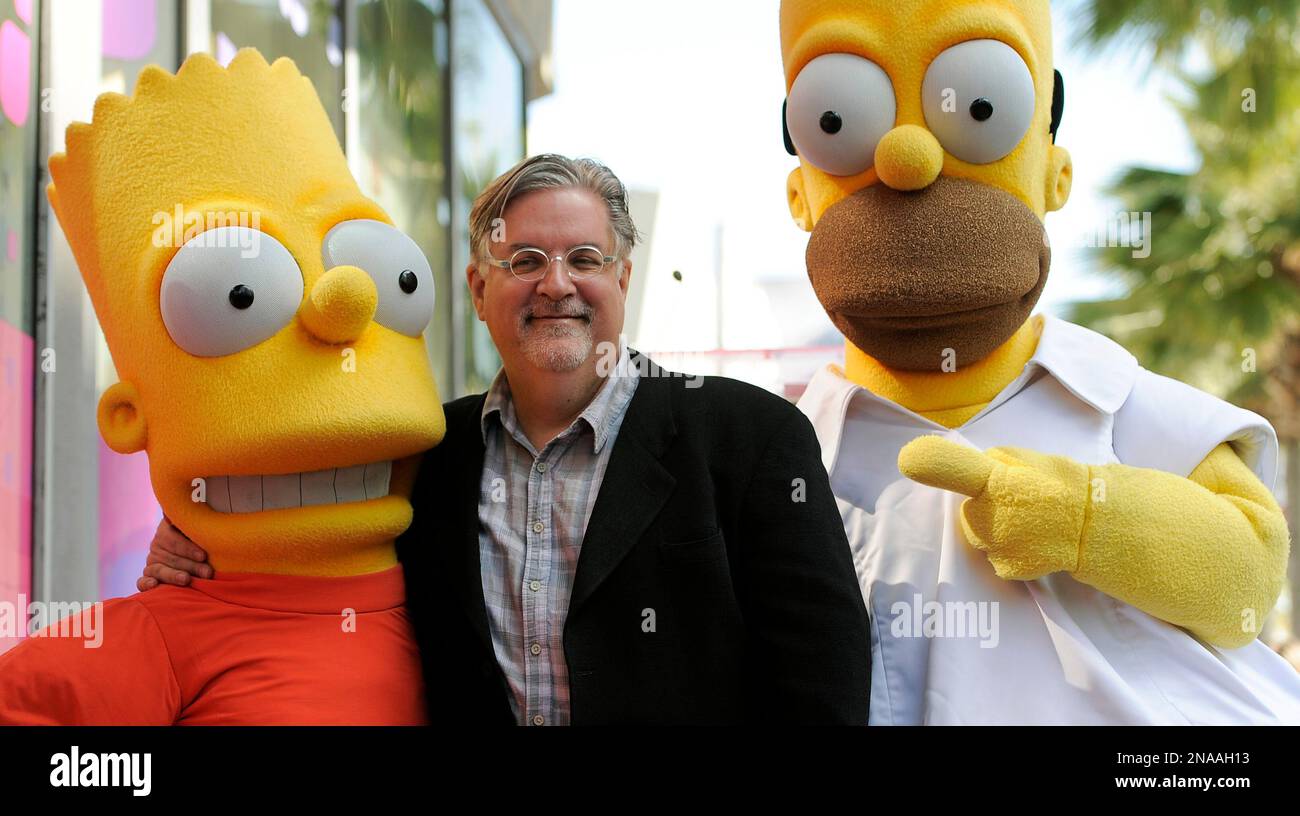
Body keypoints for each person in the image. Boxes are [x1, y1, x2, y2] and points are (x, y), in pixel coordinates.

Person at [144, 154, 871, 725]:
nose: (557, 284)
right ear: (478, 290)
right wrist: (193, 537)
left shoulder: (751, 437)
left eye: (585, 258)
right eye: (524, 261)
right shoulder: (423, 456)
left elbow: (824, 681)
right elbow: (310, 545)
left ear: (621, 277)